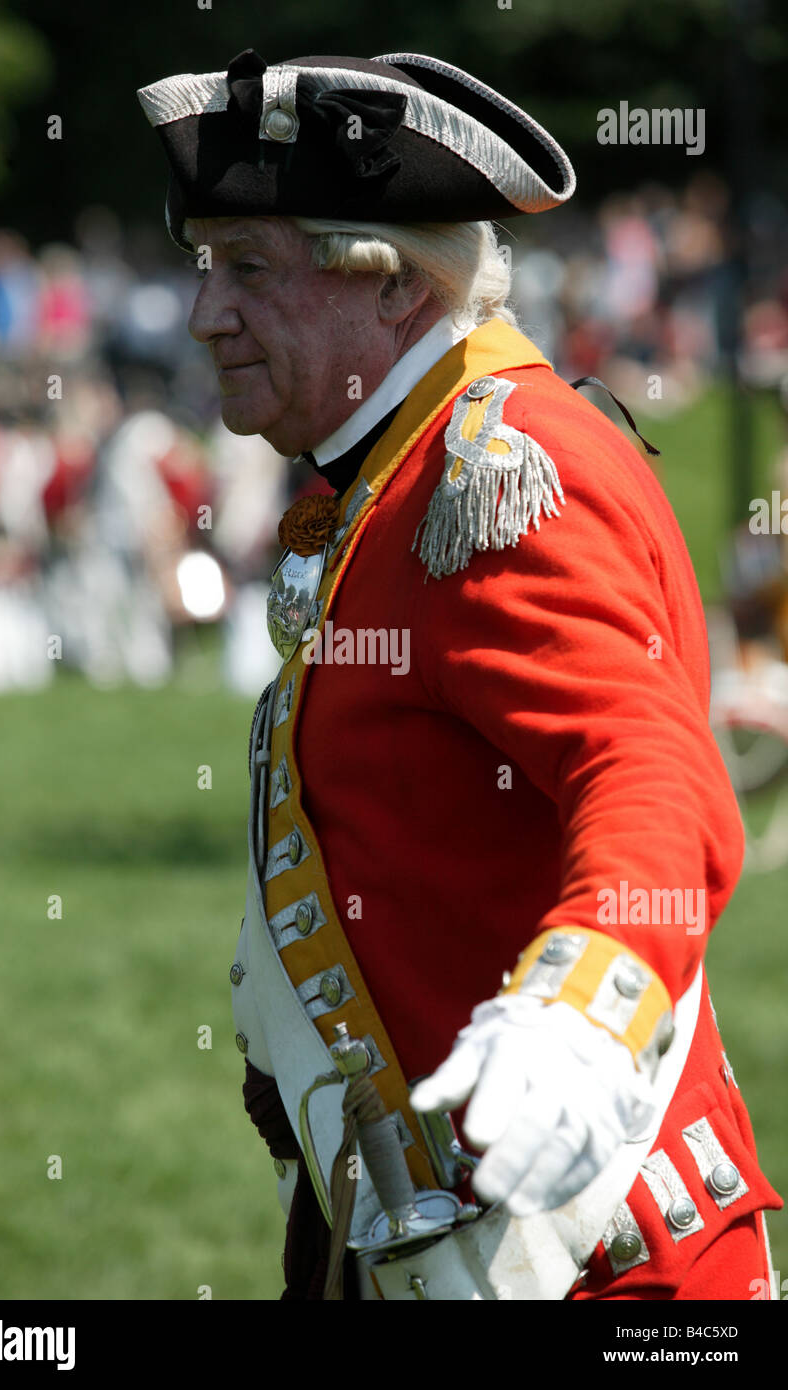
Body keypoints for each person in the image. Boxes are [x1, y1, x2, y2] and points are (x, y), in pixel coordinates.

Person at [138, 47, 782, 1300]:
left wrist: (585, 1007)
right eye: (208, 270)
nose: (209, 313)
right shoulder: (399, 468)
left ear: (391, 291)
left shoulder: (497, 472)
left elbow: (649, 767)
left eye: (252, 270)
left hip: (595, 1265)